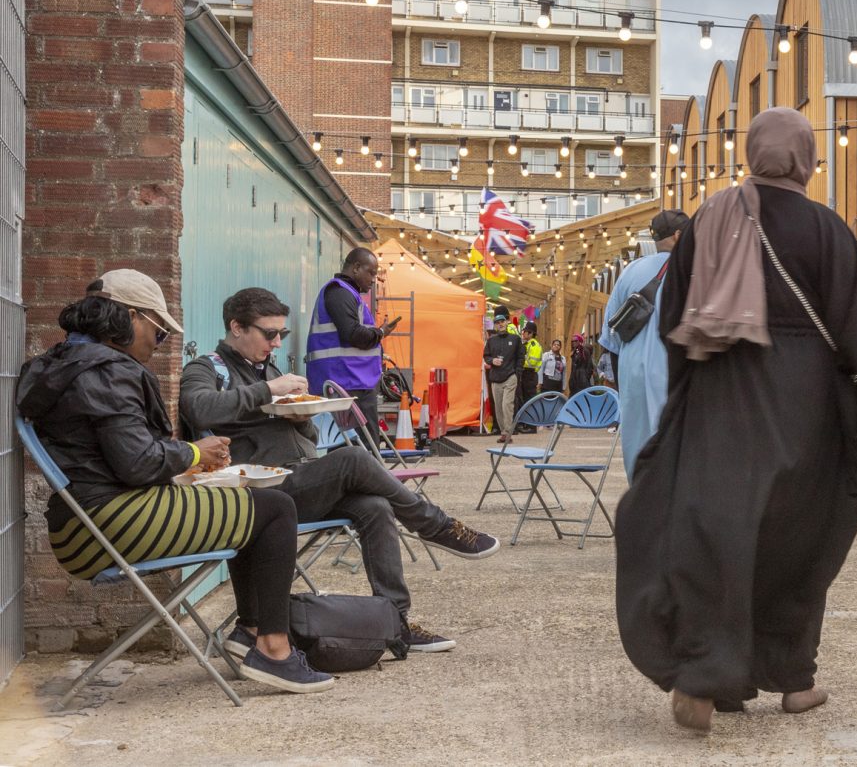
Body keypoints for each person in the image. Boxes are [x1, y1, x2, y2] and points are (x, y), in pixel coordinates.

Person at [615, 107, 857, 734]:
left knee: (717, 535)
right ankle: (793, 680)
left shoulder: (710, 218)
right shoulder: (826, 229)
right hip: (804, 407)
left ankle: (705, 676)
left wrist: (688, 399)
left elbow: (675, 318)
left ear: (753, 151)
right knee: (799, 537)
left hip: (720, 397)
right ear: (806, 158)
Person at [19, 271, 333, 693]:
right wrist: (194, 454)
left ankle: (251, 631)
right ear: (130, 317)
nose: (158, 341)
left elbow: (116, 457)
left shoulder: (68, 362)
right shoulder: (106, 372)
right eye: (159, 330)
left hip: (84, 522)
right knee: (275, 508)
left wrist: (189, 466)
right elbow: (138, 463)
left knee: (242, 503)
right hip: (104, 525)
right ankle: (273, 649)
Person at [180, 287, 499, 655]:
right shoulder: (208, 368)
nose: (277, 343)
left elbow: (303, 437)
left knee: (375, 507)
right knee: (354, 458)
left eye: (281, 334)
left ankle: (397, 625)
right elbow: (199, 409)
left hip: (297, 479)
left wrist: (302, 419)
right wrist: (268, 390)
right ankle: (433, 524)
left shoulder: (269, 369)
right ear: (236, 327)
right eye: (269, 334)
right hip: (260, 492)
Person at [599, 209, 690, 480]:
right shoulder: (691, 270)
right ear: (678, 235)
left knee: (637, 444)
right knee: (676, 447)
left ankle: (641, 508)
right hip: (672, 369)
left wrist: (620, 382)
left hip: (631, 371)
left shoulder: (630, 271)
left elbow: (610, 335)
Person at [306, 248, 400, 435]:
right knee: (362, 447)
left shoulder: (347, 294)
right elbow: (354, 335)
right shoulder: (339, 293)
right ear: (356, 268)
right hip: (346, 383)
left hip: (351, 382)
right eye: (371, 273)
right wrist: (380, 332)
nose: (373, 280)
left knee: (357, 446)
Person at [482, 308, 522, 436]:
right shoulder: (491, 340)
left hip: (510, 376)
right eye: (497, 322)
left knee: (507, 405)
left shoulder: (515, 339)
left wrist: (517, 373)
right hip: (495, 378)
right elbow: (486, 356)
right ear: (495, 325)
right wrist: (492, 361)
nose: (500, 324)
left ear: (506, 322)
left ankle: (507, 432)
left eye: (502, 321)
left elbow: (521, 357)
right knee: (498, 407)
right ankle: (503, 432)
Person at [518, 323, 544, 410]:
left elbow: (532, 362)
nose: (523, 333)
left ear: (530, 333)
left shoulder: (534, 345)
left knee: (529, 399)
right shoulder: (527, 344)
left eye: (525, 331)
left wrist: (520, 361)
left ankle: (530, 423)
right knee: (524, 398)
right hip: (526, 374)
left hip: (529, 374)